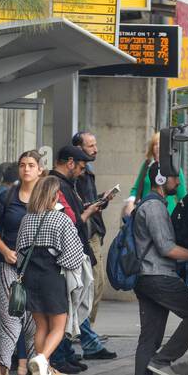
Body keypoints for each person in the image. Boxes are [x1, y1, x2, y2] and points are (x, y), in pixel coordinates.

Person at [129, 158, 188, 375]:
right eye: (174, 177)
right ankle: (163, 360)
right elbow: (167, 248)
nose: (178, 182)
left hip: (146, 278)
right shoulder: (155, 208)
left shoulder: (149, 205)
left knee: (149, 337)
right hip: (158, 277)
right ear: (160, 179)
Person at [14, 176, 87, 375]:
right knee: (59, 325)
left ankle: (43, 373)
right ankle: (43, 360)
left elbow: (19, 252)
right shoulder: (61, 219)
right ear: (54, 196)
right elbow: (74, 254)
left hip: (30, 277)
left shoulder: (27, 219)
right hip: (52, 275)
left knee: (41, 326)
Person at [49, 144, 114, 370]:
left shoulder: (67, 184)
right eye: (80, 166)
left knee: (73, 306)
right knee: (66, 307)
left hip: (74, 251)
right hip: (64, 256)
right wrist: (87, 213)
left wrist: (88, 208)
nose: (82, 171)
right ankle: (58, 357)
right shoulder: (56, 185)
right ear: (69, 163)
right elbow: (67, 220)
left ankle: (65, 352)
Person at [0, 150, 44, 375]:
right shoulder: (7, 198)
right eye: (22, 165)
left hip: (36, 267)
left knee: (32, 319)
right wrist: (5, 251)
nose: (26, 169)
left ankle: (31, 368)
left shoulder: (46, 199)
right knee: (10, 315)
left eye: (31, 165)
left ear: (40, 169)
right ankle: (3, 369)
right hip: (8, 265)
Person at [71, 131, 117, 356]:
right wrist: (95, 204)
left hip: (94, 230)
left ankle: (86, 330)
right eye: (90, 146)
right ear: (79, 149)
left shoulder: (87, 173)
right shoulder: (76, 176)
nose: (95, 149)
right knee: (91, 284)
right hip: (86, 232)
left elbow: (88, 203)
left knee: (96, 285)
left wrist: (102, 199)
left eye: (95, 144)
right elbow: (80, 206)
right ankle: (83, 333)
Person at [130, 131, 184, 214]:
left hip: (168, 212)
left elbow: (182, 195)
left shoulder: (174, 166)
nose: (158, 146)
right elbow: (136, 189)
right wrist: (130, 202)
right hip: (146, 211)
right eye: (155, 144)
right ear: (152, 147)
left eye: (161, 144)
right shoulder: (147, 166)